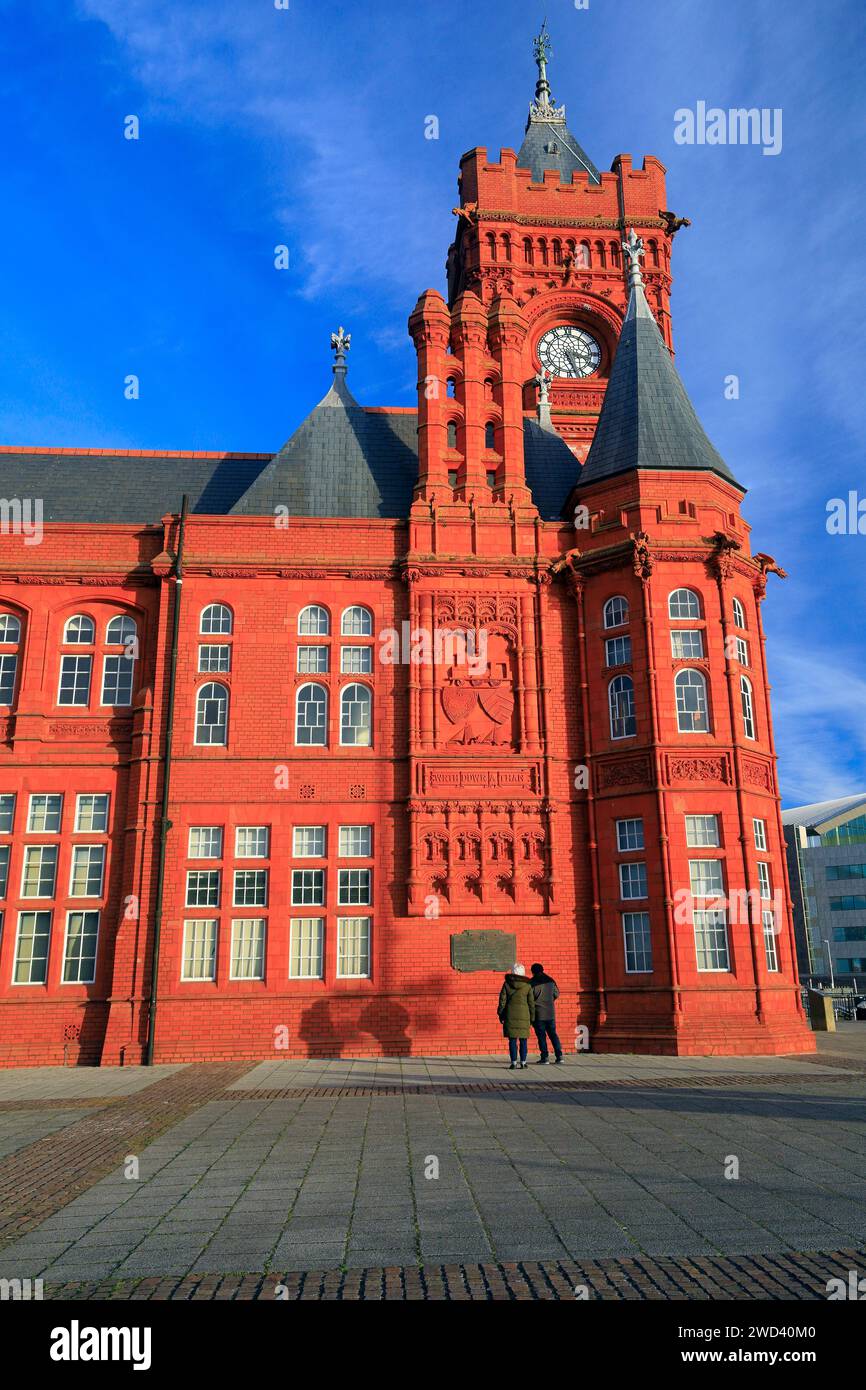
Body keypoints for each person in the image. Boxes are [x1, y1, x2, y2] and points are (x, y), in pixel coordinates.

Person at [498, 963, 536, 1069]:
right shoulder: (528, 986)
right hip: (524, 1016)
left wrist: (501, 1014)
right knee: (523, 1040)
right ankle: (523, 1062)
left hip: (510, 1015)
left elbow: (502, 1001)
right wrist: (532, 1018)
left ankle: (514, 1062)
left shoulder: (506, 984)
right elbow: (531, 1003)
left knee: (512, 1040)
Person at [529, 962, 563, 1064]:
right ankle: (559, 1055)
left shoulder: (532, 983)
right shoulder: (551, 980)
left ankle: (545, 1057)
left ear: (533, 972)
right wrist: (549, 1000)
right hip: (550, 1012)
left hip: (539, 1014)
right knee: (553, 1034)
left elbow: (530, 998)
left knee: (541, 1036)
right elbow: (556, 994)